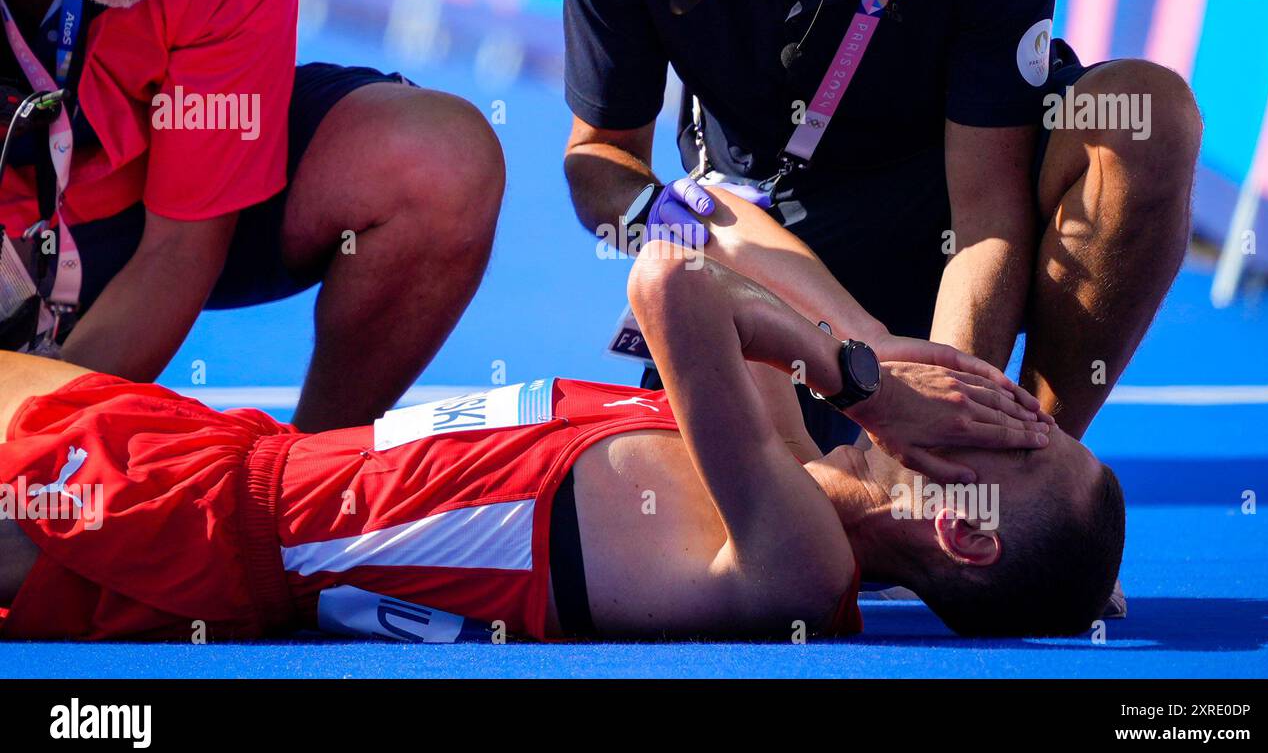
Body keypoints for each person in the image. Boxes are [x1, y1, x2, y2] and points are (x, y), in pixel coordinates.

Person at [0, 188, 1125, 642]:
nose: (996, 399)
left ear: (964, 530)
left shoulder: (794, 563)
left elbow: (669, 286)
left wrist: (861, 372)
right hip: (226, 453)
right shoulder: (783, 458)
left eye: (1024, 437)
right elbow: (697, 211)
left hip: (191, 540)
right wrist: (866, 346)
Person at [561, 0, 1202, 447]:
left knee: (1147, 114)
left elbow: (986, 219)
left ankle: (1030, 459)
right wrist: (693, 226)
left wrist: (947, 440)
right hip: (762, 230)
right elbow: (600, 161)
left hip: (955, 195)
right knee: (753, 521)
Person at [0, 0, 504, 431]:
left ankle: (312, 498)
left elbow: (179, 252)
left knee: (436, 159)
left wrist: (32, 443)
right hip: (14, 232)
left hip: (145, 227)